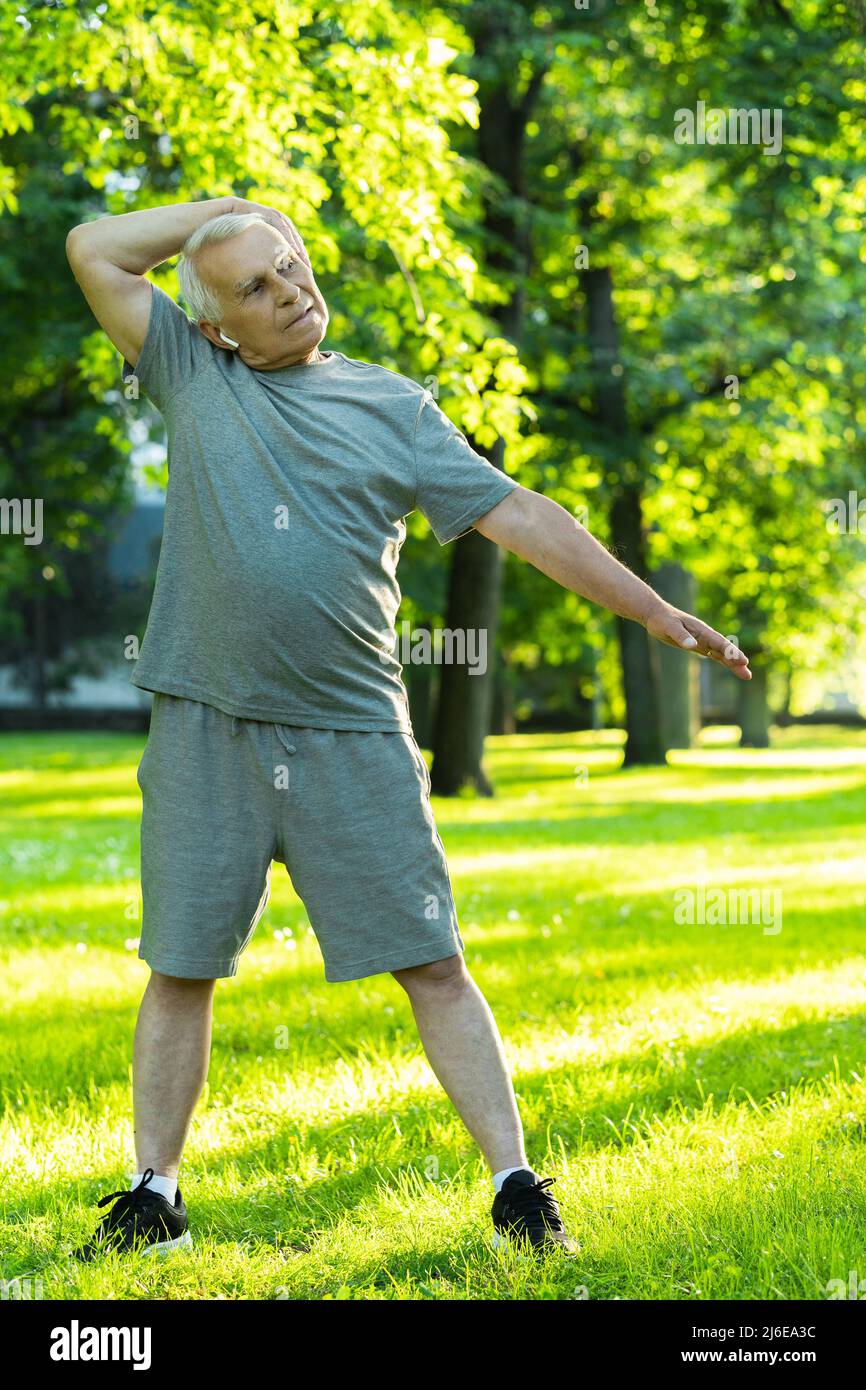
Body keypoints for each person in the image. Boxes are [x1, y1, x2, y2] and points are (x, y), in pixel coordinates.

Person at [65, 195, 751, 1262]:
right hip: (206, 726)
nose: (290, 291)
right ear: (212, 326)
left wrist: (651, 608)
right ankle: (155, 1190)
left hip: (352, 734)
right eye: (255, 286)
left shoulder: (391, 405)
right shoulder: (189, 374)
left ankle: (516, 1184)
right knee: (181, 964)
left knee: (431, 960)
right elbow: (93, 248)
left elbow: (520, 514)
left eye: (289, 266)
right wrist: (228, 212)